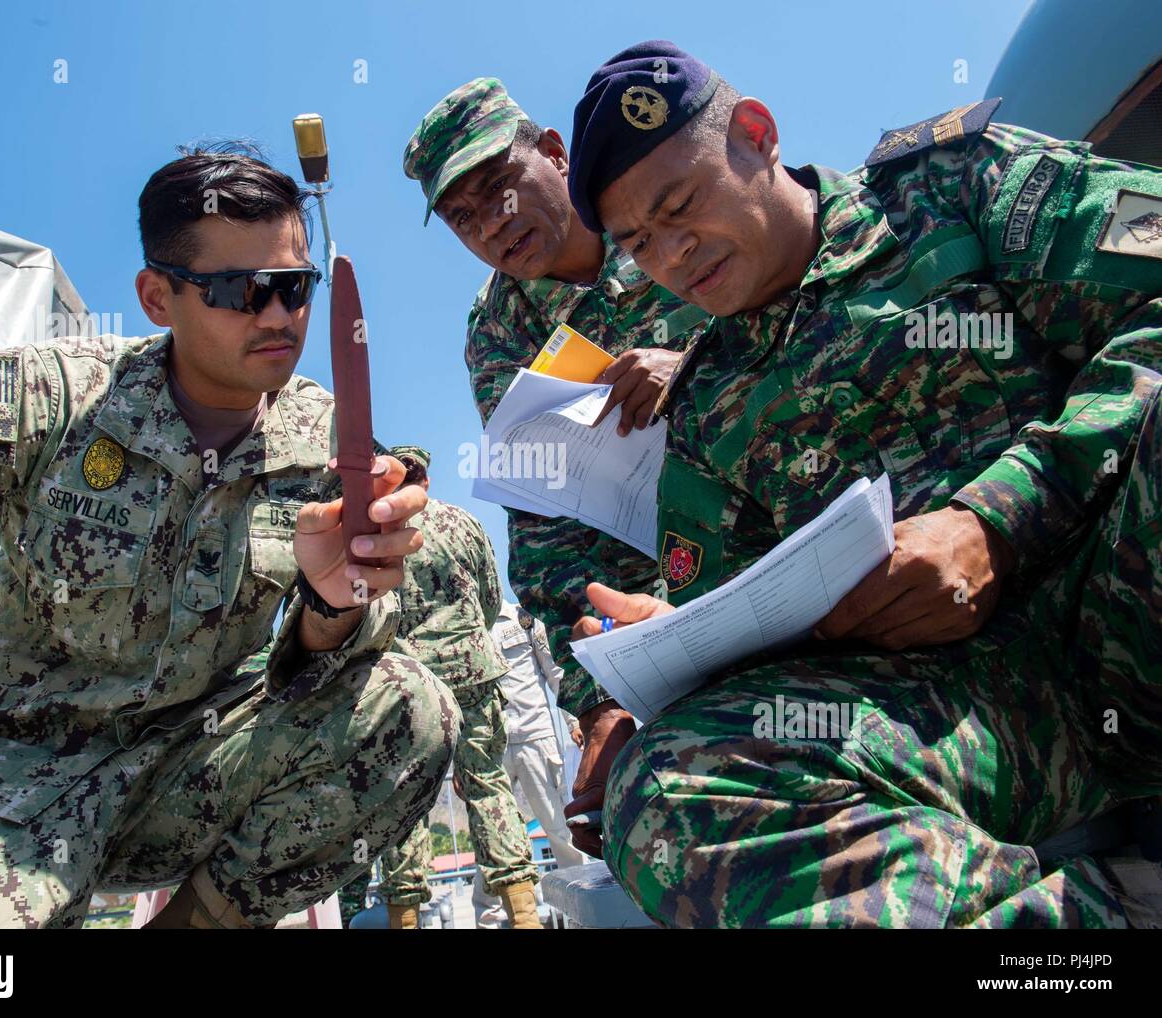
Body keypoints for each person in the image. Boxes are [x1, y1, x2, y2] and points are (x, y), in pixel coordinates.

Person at [564, 41, 1162, 928]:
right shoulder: (702, 410)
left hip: (1126, 614)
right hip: (971, 725)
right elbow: (746, 626)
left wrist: (994, 519)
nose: (672, 255)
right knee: (667, 789)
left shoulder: (951, 187)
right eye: (638, 243)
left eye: (679, 205)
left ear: (757, 135)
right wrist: (663, 662)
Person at [0, 144, 456, 929]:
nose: (278, 314)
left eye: (293, 287)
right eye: (240, 290)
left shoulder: (331, 448)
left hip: (187, 769)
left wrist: (331, 600)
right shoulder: (46, 399)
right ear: (156, 296)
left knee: (408, 709)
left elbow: (322, 668)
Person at [402, 79, 709, 829]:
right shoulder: (500, 332)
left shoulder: (655, 206)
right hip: (663, 593)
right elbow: (549, 523)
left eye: (500, 189)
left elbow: (803, 320)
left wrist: (693, 366)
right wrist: (602, 703)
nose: (489, 228)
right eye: (461, 218)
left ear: (555, 153)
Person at [359, 448, 542, 929]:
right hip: (473, 674)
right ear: (425, 476)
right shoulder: (463, 523)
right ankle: (523, 914)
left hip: (408, 684)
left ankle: (404, 915)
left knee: (402, 800)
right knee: (487, 786)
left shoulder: (376, 533)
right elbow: (487, 599)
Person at [470, 600, 589, 927]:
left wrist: (572, 720)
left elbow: (555, 673)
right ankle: (490, 920)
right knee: (490, 835)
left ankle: (578, 913)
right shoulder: (465, 626)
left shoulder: (524, 619)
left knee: (559, 830)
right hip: (489, 746)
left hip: (535, 736)